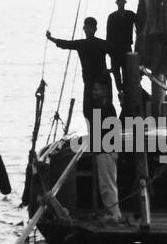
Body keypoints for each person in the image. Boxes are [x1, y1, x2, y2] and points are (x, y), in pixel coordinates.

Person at [48, 18, 121, 221]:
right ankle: (112, 211)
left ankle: (113, 213)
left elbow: (115, 50)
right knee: (91, 114)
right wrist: (52, 38)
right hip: (91, 86)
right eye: (86, 27)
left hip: (99, 83)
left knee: (105, 160)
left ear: (94, 29)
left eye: (91, 27)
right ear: (85, 28)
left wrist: (112, 71)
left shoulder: (100, 44)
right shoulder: (82, 44)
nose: (88, 30)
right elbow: (66, 44)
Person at [106, 0, 139, 103]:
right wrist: (109, 52)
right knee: (116, 74)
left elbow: (140, 22)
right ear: (116, 3)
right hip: (115, 50)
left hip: (126, 49)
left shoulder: (130, 14)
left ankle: (125, 93)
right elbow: (108, 35)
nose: (120, 3)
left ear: (125, 2)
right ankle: (121, 92)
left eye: (122, 1)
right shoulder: (112, 16)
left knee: (126, 73)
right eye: (118, 1)